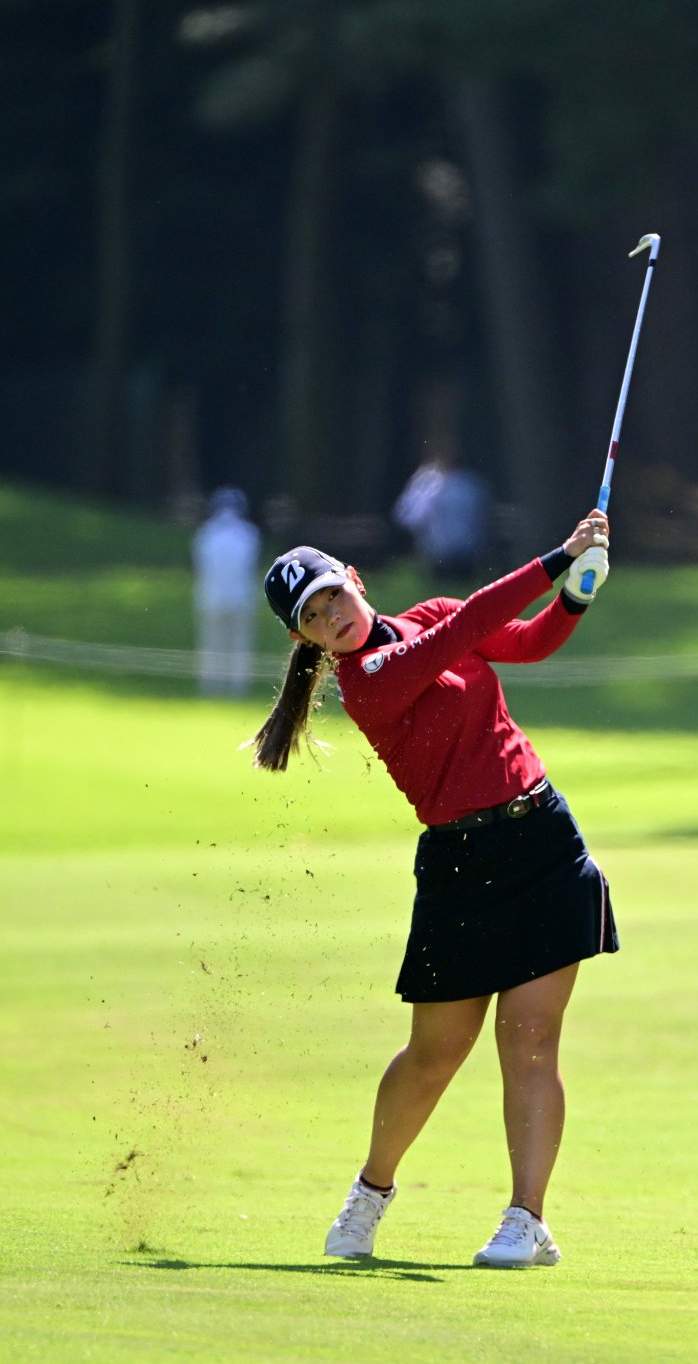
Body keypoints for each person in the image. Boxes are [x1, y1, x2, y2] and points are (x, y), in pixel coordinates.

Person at [250, 508, 615, 1268]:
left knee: (531, 1042)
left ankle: (527, 1218)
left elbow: (526, 642)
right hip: (460, 866)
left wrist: (574, 595)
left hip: (543, 840)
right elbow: (465, 630)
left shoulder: (431, 615)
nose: (331, 617)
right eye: (312, 617)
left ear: (355, 580)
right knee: (434, 1055)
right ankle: (370, 1192)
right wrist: (557, 557)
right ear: (303, 638)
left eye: (331, 597)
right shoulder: (368, 681)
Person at [192, 487, 262, 697]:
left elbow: (200, 567)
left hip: (210, 597)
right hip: (241, 598)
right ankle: (236, 688)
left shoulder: (205, 534)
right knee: (239, 645)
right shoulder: (250, 534)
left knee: (212, 643)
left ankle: (211, 686)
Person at [392, 453, 490, 579]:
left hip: (455, 557)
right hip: (452, 557)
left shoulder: (467, 485)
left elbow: (408, 519)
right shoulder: (471, 484)